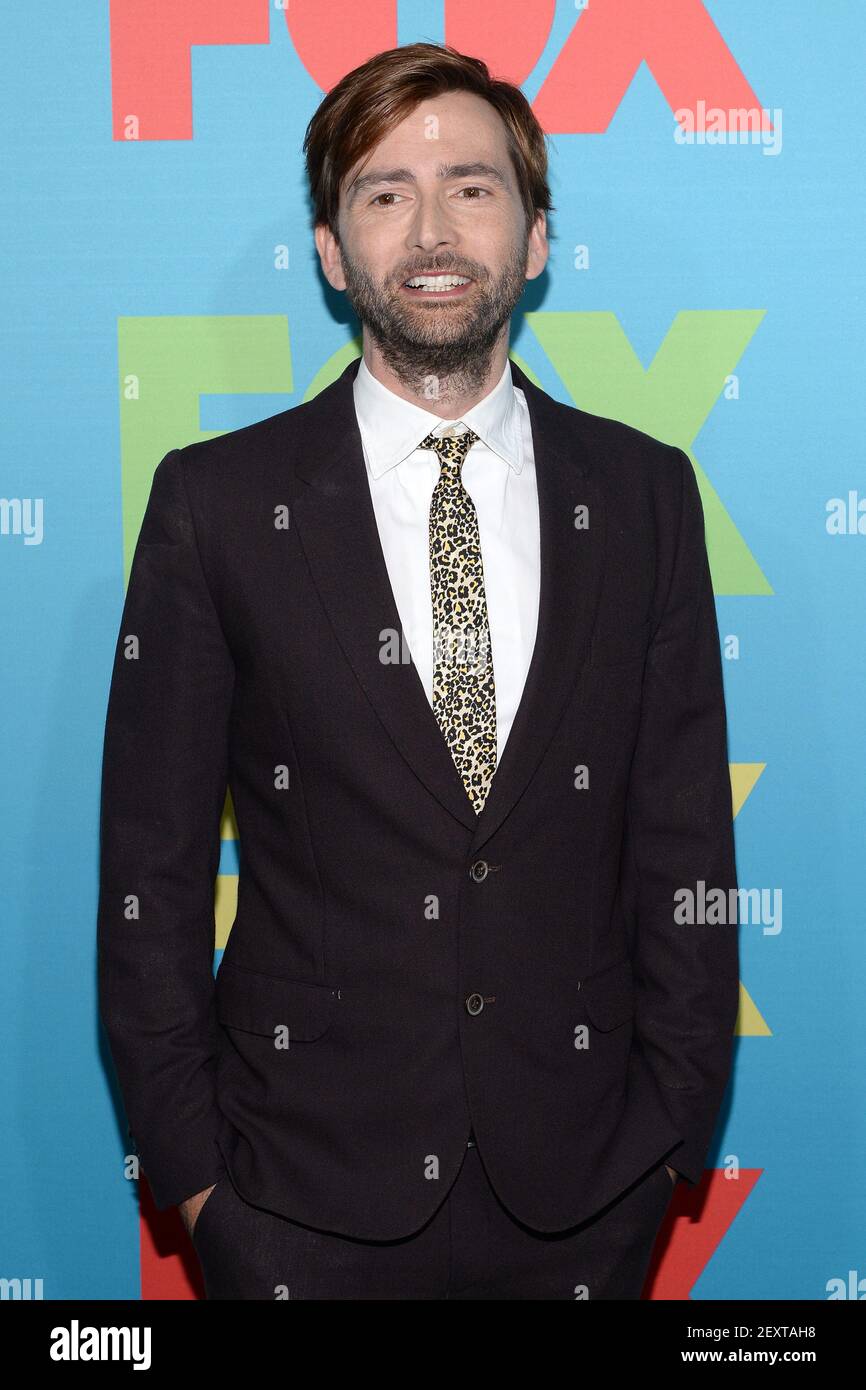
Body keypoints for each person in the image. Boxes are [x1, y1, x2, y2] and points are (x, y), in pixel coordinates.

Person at [97, 41, 739, 1300]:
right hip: (291, 1200)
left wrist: (672, 1126)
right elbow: (150, 875)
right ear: (333, 254)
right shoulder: (216, 504)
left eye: (473, 186)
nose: (431, 226)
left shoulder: (644, 494)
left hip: (587, 1196)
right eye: (385, 192)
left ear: (536, 237)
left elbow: (684, 846)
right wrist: (194, 1183)